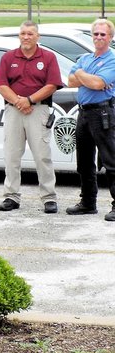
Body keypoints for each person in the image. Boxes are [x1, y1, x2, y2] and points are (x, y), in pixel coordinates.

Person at [0, 21, 62, 214]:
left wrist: (29, 100)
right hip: (14, 110)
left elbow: (52, 85)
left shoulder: (48, 57)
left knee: (42, 156)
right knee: (12, 156)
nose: (26, 37)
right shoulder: (8, 57)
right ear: (19, 36)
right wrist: (18, 101)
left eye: (30, 34)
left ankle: (49, 197)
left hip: (38, 110)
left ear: (37, 37)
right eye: (23, 33)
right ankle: (11, 196)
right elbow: (0, 84)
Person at [66, 18, 115, 221]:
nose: (98, 37)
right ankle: (88, 202)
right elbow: (70, 81)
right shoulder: (85, 58)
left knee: (110, 160)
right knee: (84, 161)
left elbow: (97, 84)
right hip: (84, 113)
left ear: (110, 37)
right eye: (95, 34)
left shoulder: (112, 59)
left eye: (103, 34)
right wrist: (83, 74)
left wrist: (82, 75)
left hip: (103, 113)